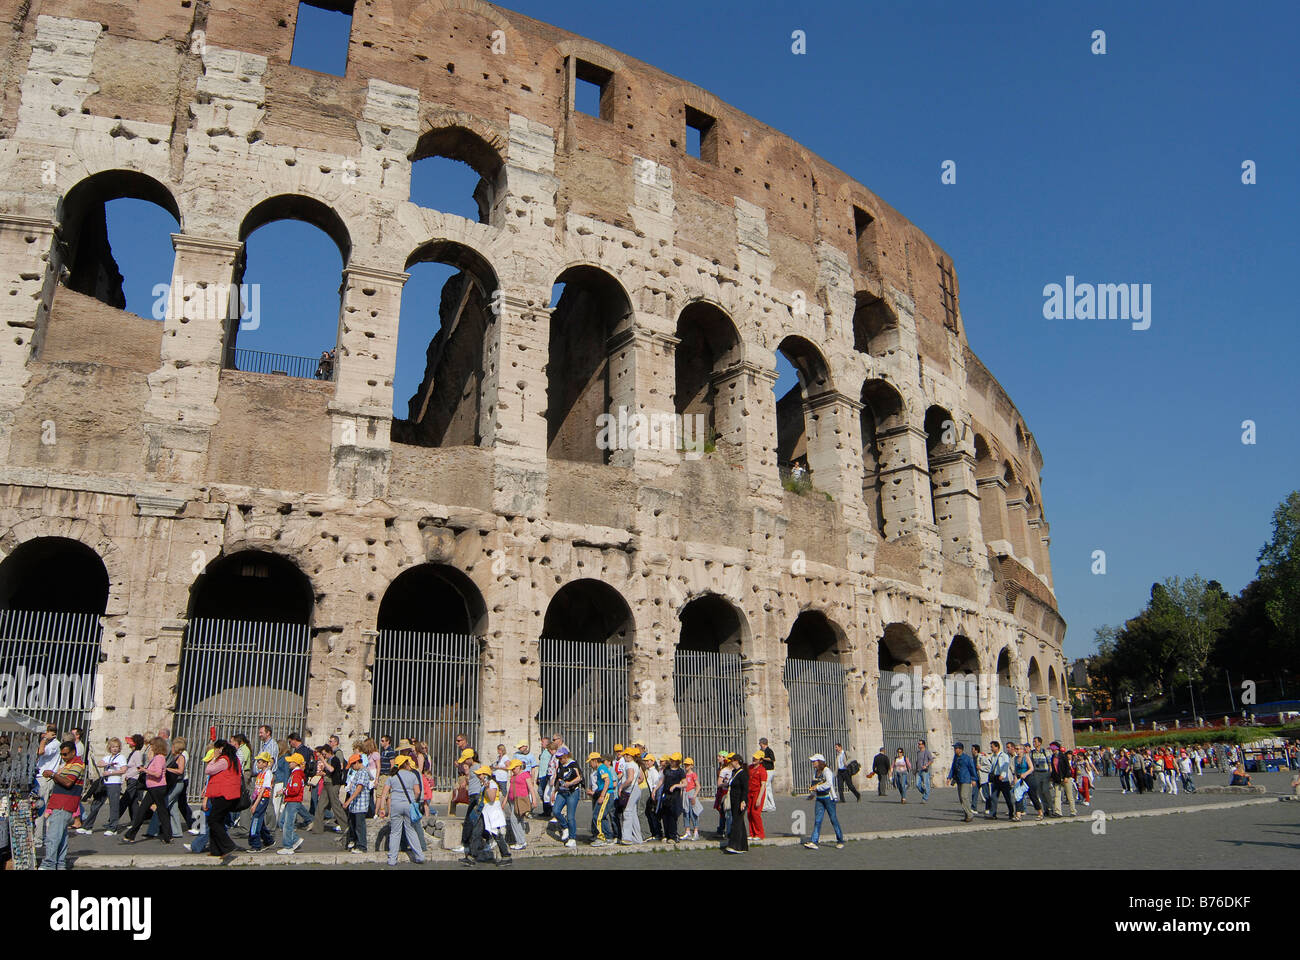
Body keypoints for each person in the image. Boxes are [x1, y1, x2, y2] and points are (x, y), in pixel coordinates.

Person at [38, 740, 84, 870]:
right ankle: (60, 863)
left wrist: (53, 774)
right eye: (62, 754)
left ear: (73, 752)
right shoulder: (68, 764)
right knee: (61, 836)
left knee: (53, 836)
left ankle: (49, 864)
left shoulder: (77, 764)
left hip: (64, 804)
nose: (63, 757)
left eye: (65, 754)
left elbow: (68, 782)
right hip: (61, 803)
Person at [121, 737, 172, 845]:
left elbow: (157, 773)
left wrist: (145, 770)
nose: (151, 747)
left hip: (157, 787)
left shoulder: (159, 758)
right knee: (145, 810)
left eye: (152, 745)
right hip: (154, 787)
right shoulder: (158, 757)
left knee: (159, 811)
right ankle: (131, 834)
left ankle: (167, 835)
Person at [383, 753, 427, 866]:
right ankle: (419, 856)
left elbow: (384, 793)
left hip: (395, 805)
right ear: (405, 764)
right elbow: (417, 791)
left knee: (395, 833)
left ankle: (392, 859)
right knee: (411, 831)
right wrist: (413, 800)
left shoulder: (392, 776)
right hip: (408, 804)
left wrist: (383, 808)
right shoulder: (412, 775)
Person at [202, 740, 243, 859]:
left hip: (223, 795)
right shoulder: (232, 760)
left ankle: (228, 845)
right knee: (217, 821)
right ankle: (216, 850)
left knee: (213, 820)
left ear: (220, 749)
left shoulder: (224, 761)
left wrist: (214, 759)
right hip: (225, 794)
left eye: (216, 749)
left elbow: (208, 770)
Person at [80, 738, 127, 835]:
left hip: (114, 783)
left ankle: (112, 827)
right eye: (113, 747)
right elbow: (99, 763)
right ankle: (87, 826)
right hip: (105, 783)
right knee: (96, 804)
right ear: (109, 747)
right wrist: (107, 764)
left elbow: (123, 770)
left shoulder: (121, 757)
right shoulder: (108, 757)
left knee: (113, 805)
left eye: (117, 747)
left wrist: (111, 772)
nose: (114, 749)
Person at [802, 754, 843, 850]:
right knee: (817, 820)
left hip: (829, 798)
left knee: (833, 819)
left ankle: (840, 840)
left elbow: (829, 784)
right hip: (819, 799)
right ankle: (814, 841)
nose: (812, 763)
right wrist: (812, 794)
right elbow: (815, 784)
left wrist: (818, 787)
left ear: (819, 762)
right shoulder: (816, 772)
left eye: (814, 761)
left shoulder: (827, 771)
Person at [309, 744, 348, 835]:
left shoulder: (335, 759)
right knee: (320, 805)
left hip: (333, 784)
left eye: (324, 754)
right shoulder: (328, 760)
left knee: (335, 805)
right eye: (322, 754)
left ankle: (345, 826)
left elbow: (331, 770)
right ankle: (317, 828)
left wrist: (324, 762)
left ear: (329, 752)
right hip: (326, 784)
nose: (324, 756)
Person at [277, 752, 307, 855]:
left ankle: (288, 846)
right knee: (282, 822)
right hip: (290, 800)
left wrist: (285, 791)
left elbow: (295, 790)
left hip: (294, 801)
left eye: (291, 761)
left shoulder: (297, 774)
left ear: (296, 763)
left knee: (288, 824)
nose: (289, 763)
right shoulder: (294, 773)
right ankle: (295, 839)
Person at [552, 747, 581, 848]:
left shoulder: (573, 764)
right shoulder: (560, 765)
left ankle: (572, 838)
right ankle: (565, 827)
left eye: (561, 758)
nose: (560, 760)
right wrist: (554, 791)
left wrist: (570, 783)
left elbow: (579, 777)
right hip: (562, 791)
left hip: (572, 792)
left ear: (566, 756)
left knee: (570, 816)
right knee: (555, 810)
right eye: (558, 758)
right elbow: (558, 778)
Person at [342, 753, 372, 853]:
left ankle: (362, 846)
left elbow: (359, 788)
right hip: (355, 805)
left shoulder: (363, 772)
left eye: (352, 765)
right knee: (353, 825)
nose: (352, 767)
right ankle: (355, 842)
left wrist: (348, 801)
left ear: (357, 762)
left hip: (360, 804)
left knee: (360, 826)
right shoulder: (358, 772)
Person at [248, 752, 276, 851]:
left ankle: (255, 843)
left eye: (260, 762)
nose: (257, 764)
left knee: (256, 818)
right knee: (260, 819)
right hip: (258, 798)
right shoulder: (260, 773)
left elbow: (263, 790)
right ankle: (268, 840)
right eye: (257, 762)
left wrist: (255, 804)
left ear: (265, 763)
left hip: (263, 798)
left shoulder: (268, 774)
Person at [587, 752, 616, 846]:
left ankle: (601, 837)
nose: (590, 765)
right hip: (605, 793)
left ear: (595, 761)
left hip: (606, 793)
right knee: (602, 816)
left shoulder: (601, 768)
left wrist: (602, 796)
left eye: (590, 762)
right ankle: (608, 836)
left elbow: (607, 781)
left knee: (597, 816)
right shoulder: (601, 768)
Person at [724, 753, 749, 853]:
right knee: (739, 822)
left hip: (740, 800)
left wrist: (743, 801)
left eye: (732, 760)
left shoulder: (743, 773)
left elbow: (745, 789)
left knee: (736, 823)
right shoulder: (734, 772)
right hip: (734, 800)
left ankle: (735, 845)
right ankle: (743, 846)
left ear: (737, 761)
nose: (731, 762)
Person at [947, 742, 977, 822]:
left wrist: (974, 779)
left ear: (960, 749)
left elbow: (972, 769)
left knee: (964, 797)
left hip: (966, 779)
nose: (955, 750)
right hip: (959, 780)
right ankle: (967, 815)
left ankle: (970, 814)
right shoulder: (956, 757)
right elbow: (953, 768)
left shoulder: (967, 758)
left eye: (956, 748)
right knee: (961, 798)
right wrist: (949, 777)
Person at [659, 752, 686, 844]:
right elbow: (662, 780)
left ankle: (673, 836)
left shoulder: (680, 771)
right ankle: (666, 834)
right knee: (665, 815)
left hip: (675, 796)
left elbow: (685, 783)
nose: (671, 762)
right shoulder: (666, 769)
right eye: (671, 760)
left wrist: (676, 786)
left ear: (677, 762)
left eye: (673, 760)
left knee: (672, 815)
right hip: (665, 794)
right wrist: (655, 790)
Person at [621, 747, 645, 844]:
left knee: (627, 812)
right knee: (633, 814)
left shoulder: (629, 765)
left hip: (630, 790)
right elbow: (641, 778)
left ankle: (627, 837)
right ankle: (637, 838)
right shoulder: (636, 765)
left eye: (625, 755)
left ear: (629, 756)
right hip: (636, 789)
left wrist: (621, 786)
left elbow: (630, 778)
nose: (624, 756)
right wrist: (635, 784)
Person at [987, 740, 1013, 820]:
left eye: (992, 747)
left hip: (1003, 779)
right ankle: (993, 814)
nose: (991, 748)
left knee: (1007, 797)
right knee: (994, 797)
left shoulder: (1004, 755)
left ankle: (1011, 813)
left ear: (997, 747)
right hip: (995, 778)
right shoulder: (993, 756)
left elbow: (1005, 766)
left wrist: (1003, 775)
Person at [1049, 741, 1077, 817]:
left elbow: (1067, 768)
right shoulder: (1053, 757)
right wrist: (1052, 777)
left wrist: (1066, 777)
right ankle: (1058, 812)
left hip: (1066, 778)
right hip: (1057, 779)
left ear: (1056, 748)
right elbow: (1054, 769)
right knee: (1057, 796)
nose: (1052, 749)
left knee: (1069, 795)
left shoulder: (1063, 756)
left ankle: (1073, 811)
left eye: (1053, 748)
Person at [747, 750, 768, 839]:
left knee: (755, 812)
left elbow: (763, 785)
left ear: (761, 760)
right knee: (749, 813)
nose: (754, 759)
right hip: (749, 792)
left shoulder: (762, 770)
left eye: (757, 758)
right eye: (754, 757)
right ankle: (752, 833)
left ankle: (759, 833)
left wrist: (759, 798)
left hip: (757, 793)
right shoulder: (750, 768)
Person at [642, 753, 662, 841]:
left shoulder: (654, 772)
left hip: (652, 794)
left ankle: (657, 833)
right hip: (648, 794)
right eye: (645, 761)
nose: (646, 762)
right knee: (649, 814)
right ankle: (653, 832)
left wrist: (653, 794)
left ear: (652, 762)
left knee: (653, 815)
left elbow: (655, 784)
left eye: (648, 761)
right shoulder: (647, 771)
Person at [972, 743, 992, 818]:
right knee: (974, 793)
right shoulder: (973, 758)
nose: (971, 751)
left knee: (986, 793)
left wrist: (981, 768)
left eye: (972, 749)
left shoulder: (982, 757)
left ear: (976, 750)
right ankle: (973, 808)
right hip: (976, 778)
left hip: (983, 778)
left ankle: (988, 808)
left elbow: (989, 767)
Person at [536, 737, 553, 816]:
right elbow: (541, 765)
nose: (541, 743)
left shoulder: (549, 752)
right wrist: (538, 776)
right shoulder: (544, 752)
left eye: (543, 742)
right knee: (541, 792)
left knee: (543, 792)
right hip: (541, 775)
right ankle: (546, 810)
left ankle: (548, 810)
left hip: (545, 776)